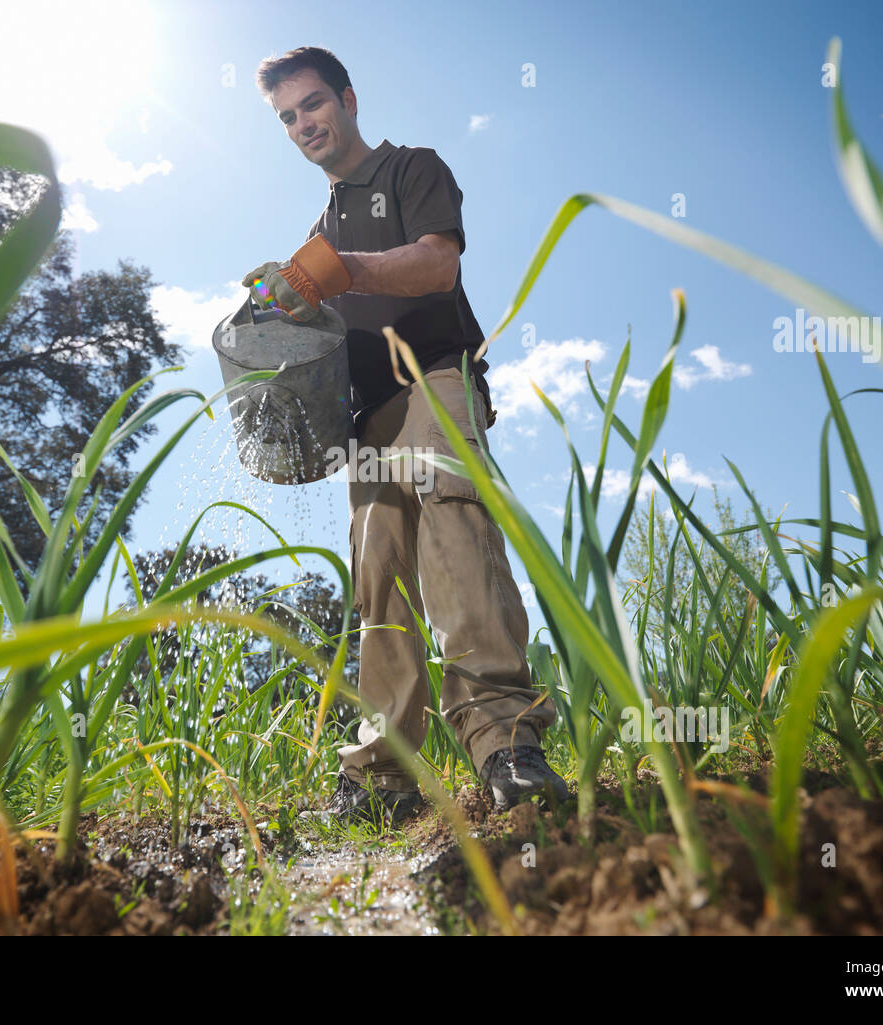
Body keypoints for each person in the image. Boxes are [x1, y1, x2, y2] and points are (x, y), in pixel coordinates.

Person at [243, 46, 567, 824]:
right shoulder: (315, 233)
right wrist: (273, 334)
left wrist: (337, 270)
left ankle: (506, 743)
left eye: (312, 104)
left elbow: (436, 267)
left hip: (434, 377)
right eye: (287, 117)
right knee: (378, 579)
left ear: (347, 100)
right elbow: (315, 349)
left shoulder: (411, 169)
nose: (302, 124)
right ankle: (382, 777)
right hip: (365, 415)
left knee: (453, 528)